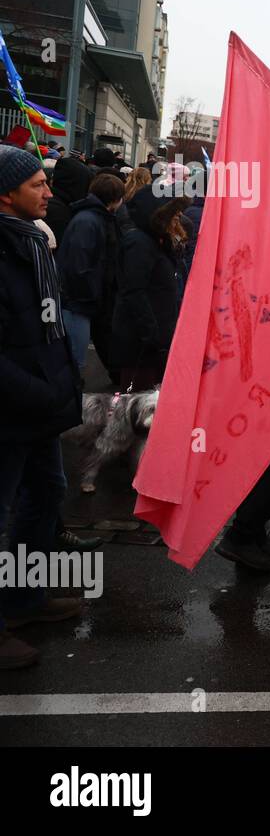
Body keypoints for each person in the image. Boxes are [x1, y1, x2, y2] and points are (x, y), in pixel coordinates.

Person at [0, 145, 83, 670]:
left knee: (47, 494)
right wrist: (39, 390)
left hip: (39, 408)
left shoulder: (32, 243)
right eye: (36, 185)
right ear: (6, 195)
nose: (49, 193)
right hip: (12, 410)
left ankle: (23, 599)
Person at [111, 184, 188, 391]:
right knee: (139, 402)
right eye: (173, 211)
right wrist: (151, 333)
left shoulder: (156, 241)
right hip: (142, 343)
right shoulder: (140, 243)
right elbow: (134, 291)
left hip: (154, 338)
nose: (179, 215)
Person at [57, 173, 126, 375]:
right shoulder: (88, 221)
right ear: (115, 199)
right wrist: (94, 294)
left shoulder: (95, 218)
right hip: (79, 302)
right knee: (75, 362)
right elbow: (79, 266)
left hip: (84, 301)